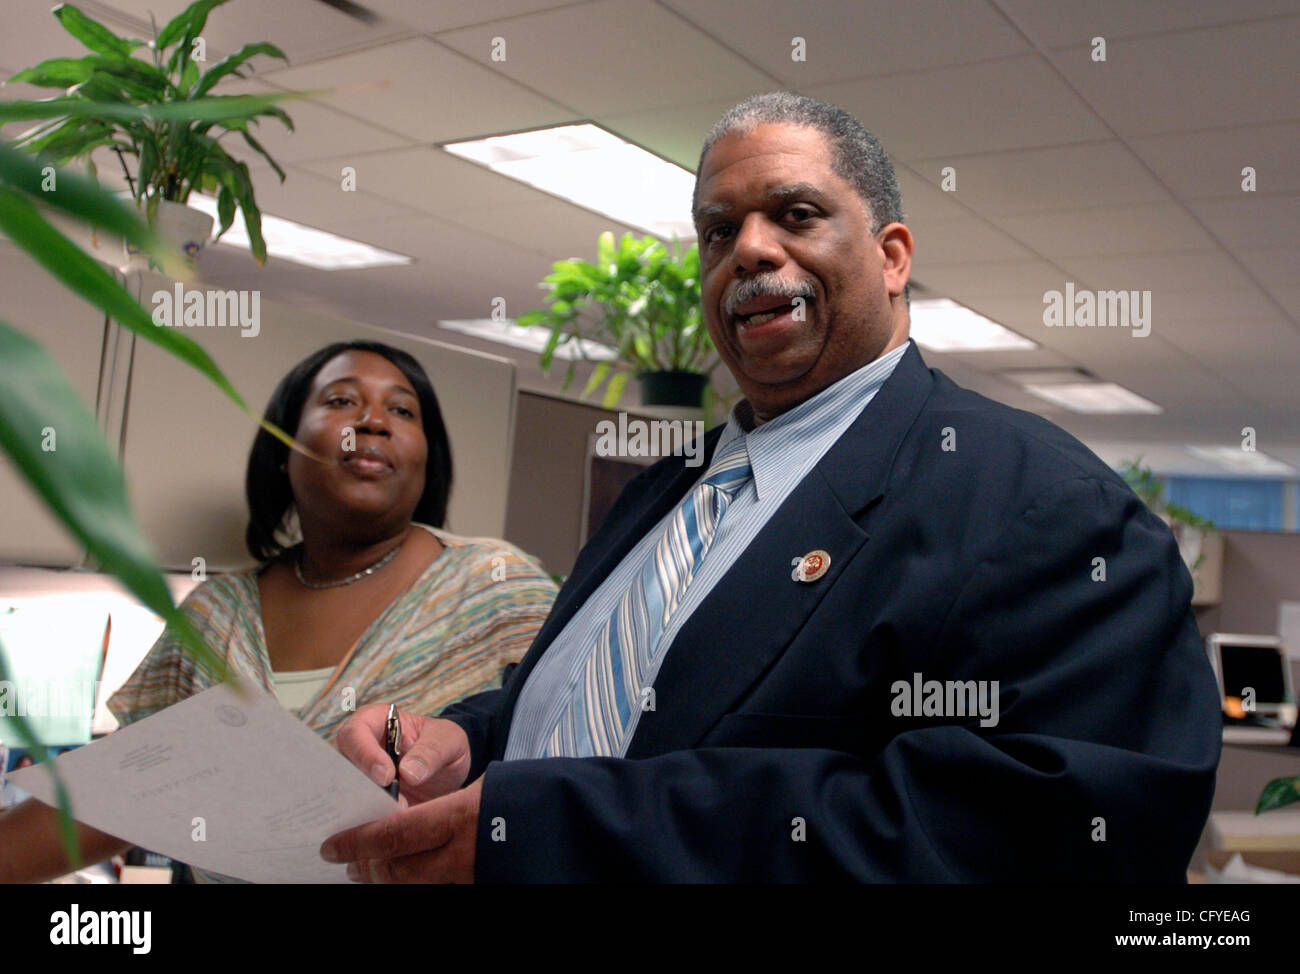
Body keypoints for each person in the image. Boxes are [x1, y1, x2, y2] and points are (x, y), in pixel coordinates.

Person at [325, 93, 1222, 883]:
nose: (749, 248)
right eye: (719, 231)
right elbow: (619, 700)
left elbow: (1056, 841)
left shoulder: (1050, 508)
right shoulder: (668, 488)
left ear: (893, 256)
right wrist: (470, 740)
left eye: (795, 214)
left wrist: (562, 831)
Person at [0, 340, 558, 883]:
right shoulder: (215, 614)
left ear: (426, 455)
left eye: (403, 410)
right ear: (284, 445)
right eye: (341, 400)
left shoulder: (493, 585)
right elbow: (125, 794)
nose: (373, 421)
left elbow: (572, 766)